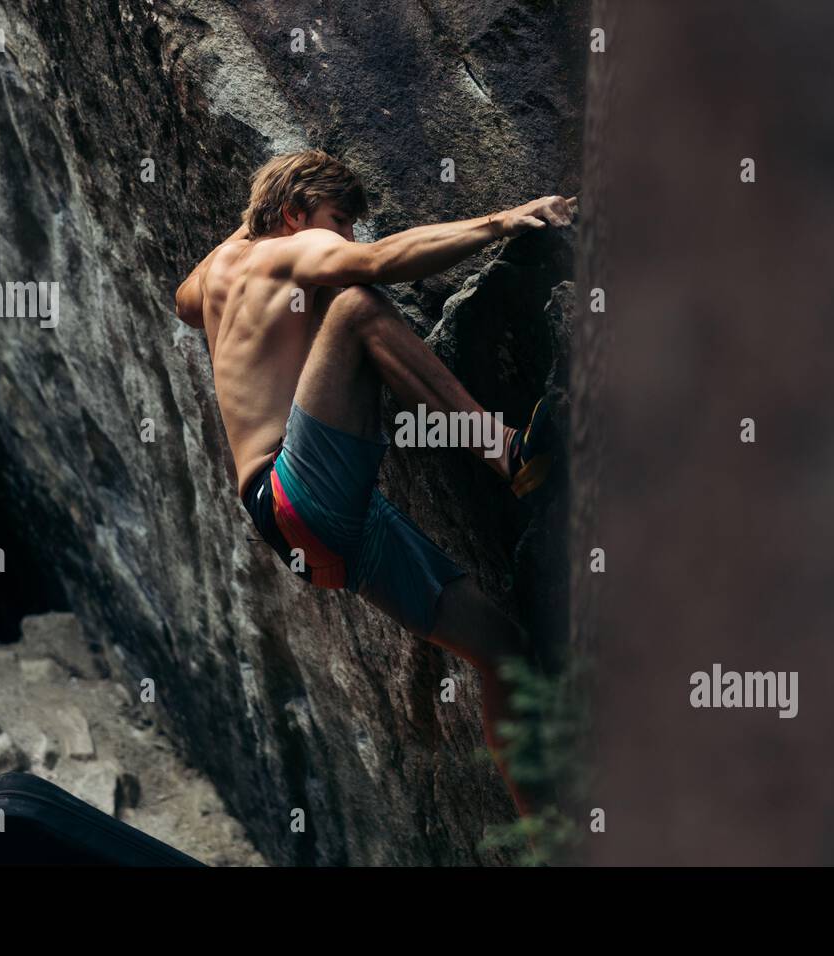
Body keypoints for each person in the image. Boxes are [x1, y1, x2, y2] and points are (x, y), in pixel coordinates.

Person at [175, 148, 573, 818]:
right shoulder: (288, 255)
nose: (344, 239)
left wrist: (263, 212)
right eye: (335, 220)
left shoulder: (216, 275)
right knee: (356, 304)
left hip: (305, 524)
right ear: (297, 213)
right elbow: (381, 262)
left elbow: (184, 302)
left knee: (506, 652)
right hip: (297, 488)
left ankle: (545, 837)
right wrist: (505, 220)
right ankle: (510, 456)